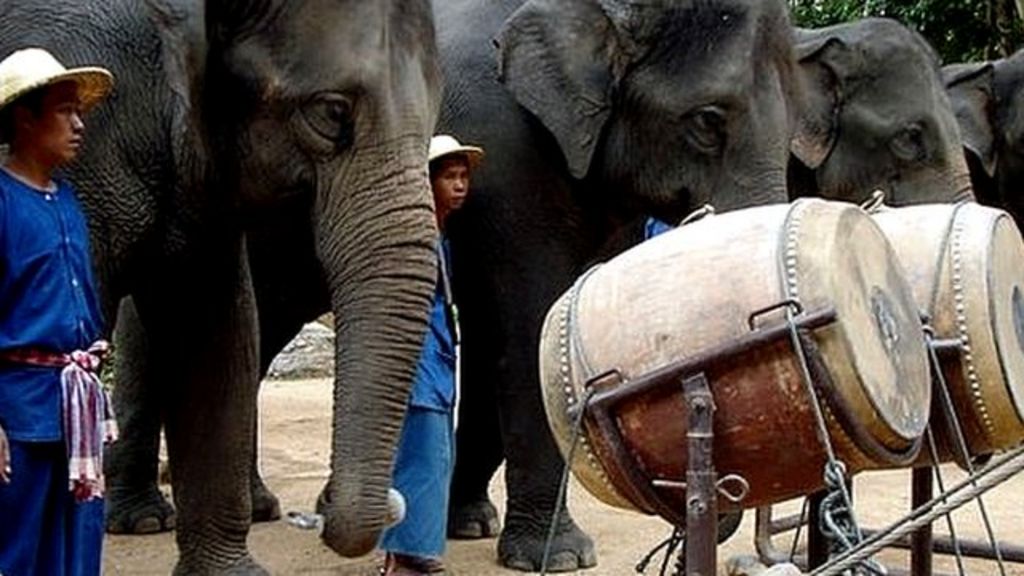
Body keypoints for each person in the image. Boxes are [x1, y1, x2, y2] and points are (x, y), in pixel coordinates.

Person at [0, 47, 117, 575]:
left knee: (77, 551)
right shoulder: (3, 202)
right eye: (65, 111)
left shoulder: (67, 200)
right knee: (16, 552)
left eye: (79, 112)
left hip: (74, 413)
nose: (78, 124)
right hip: (20, 415)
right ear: (25, 119)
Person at [379, 134, 484, 576]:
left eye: (463, 177)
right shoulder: (413, 235)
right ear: (427, 183)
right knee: (422, 453)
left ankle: (408, 551)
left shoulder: (441, 235)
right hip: (416, 357)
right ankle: (408, 554)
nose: (459, 186)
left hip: (437, 357)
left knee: (435, 454)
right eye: (449, 177)